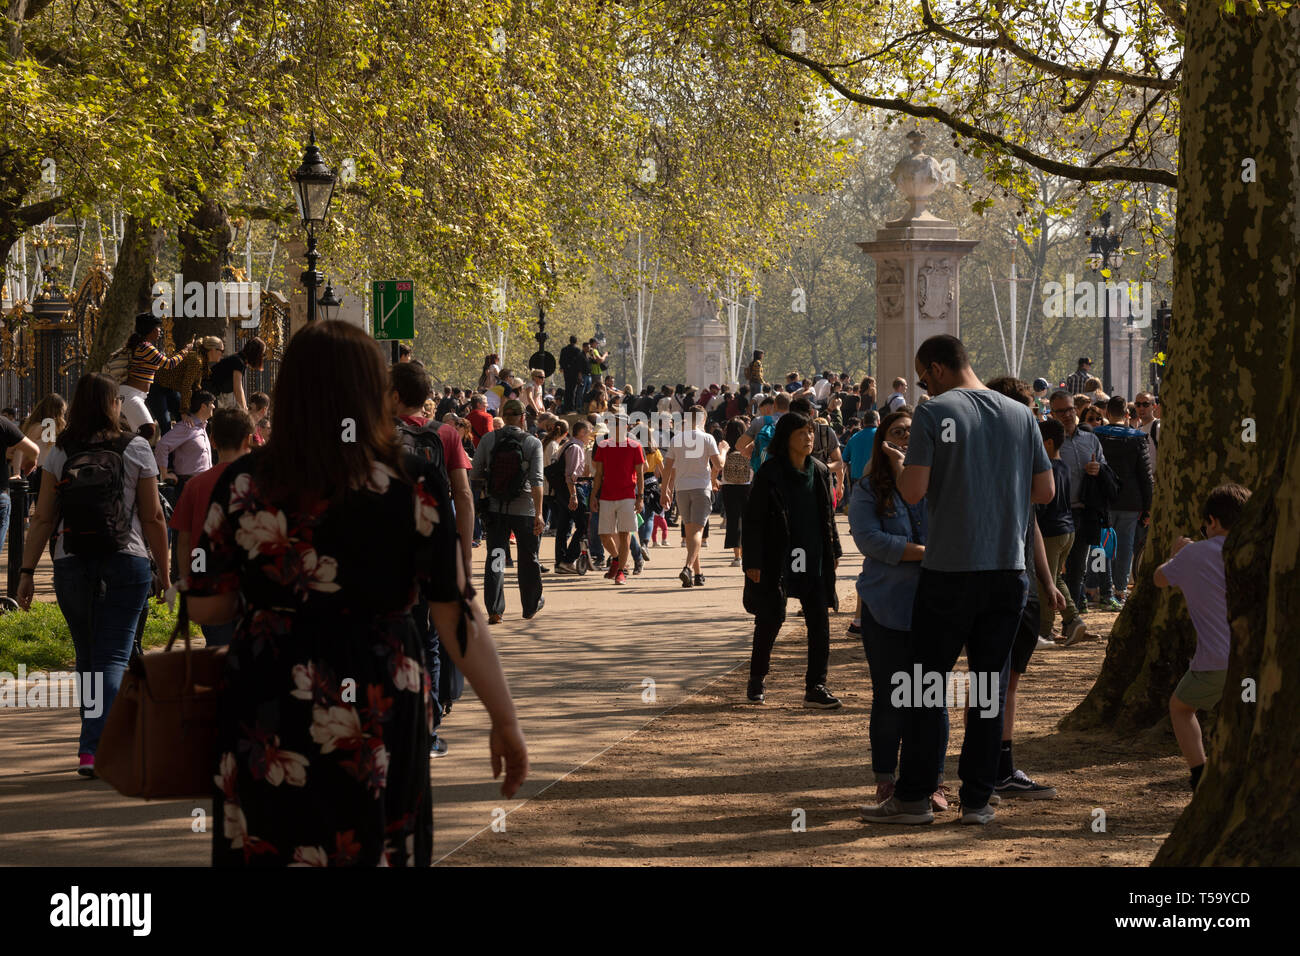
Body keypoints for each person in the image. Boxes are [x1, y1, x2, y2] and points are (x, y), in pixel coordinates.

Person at [184, 321, 526, 866]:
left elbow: (207, 605)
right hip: (378, 692)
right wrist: (504, 718)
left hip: (270, 694)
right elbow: (455, 612)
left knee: (268, 841)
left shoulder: (243, 483)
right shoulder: (410, 483)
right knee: (374, 843)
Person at [860, 335, 1054, 826]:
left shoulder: (935, 412)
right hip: (1008, 572)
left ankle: (915, 798)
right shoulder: (1020, 413)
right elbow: (1045, 491)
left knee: (928, 687)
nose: (923, 386)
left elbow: (913, 490)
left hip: (950, 572)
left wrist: (905, 464)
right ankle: (978, 800)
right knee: (988, 688)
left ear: (937, 370)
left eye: (924, 377)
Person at [16, 373, 169, 779]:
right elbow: (153, 516)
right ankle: (100, 748)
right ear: (112, 405)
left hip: (72, 561)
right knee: (114, 656)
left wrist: (27, 572)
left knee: (88, 658)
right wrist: (165, 571)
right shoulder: (136, 446)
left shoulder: (61, 451)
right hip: (128, 560)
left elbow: (44, 516)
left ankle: (91, 747)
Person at [849, 409, 948, 810]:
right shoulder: (868, 489)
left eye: (913, 432)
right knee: (890, 697)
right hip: (885, 607)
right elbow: (871, 541)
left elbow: (955, 531)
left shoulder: (941, 484)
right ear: (882, 439)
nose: (906, 437)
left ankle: (933, 780)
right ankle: (887, 780)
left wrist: (910, 467)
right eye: (898, 432)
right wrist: (927, 553)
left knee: (932, 696)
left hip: (935, 605)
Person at [1155, 483, 1251, 790]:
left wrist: (1174, 555)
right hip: (1256, 658)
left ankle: (1199, 775)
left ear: (1211, 521)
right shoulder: (1255, 551)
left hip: (1214, 661)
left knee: (1181, 708)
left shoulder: (1194, 554)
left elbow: (1159, 579)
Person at [742, 412, 842, 709]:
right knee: (771, 618)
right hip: (778, 557)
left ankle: (816, 686)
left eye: (811, 432)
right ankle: (757, 679)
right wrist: (753, 562)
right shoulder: (770, 473)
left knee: (819, 621)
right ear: (786, 439)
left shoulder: (821, 471)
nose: (808, 438)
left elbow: (828, 516)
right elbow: (754, 520)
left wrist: (834, 549)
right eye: (801, 433)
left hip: (813, 556)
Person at [169, 407, 254, 648]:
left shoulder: (195, 485)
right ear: (248, 439)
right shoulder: (261, 481)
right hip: (250, 584)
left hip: (209, 586)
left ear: (213, 440)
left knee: (217, 652)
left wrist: (186, 581)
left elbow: (183, 539)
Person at [472, 399, 544, 622]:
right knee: (528, 558)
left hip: (496, 508)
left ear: (503, 415)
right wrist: (539, 513)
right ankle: (530, 606)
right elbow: (537, 481)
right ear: (523, 418)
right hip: (525, 510)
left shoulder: (489, 439)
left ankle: (495, 609)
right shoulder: (532, 443)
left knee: (496, 556)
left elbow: (475, 473)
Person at [1047, 389, 1111, 613]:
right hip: (1056, 512)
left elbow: (1104, 465)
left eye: (1070, 409)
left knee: (1077, 568)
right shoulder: (1047, 442)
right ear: (1052, 414)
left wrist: (1098, 468)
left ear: (1076, 409)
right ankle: (1054, 621)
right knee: (1051, 571)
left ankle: (1072, 618)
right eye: (1061, 411)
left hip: (1083, 512)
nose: (1066, 414)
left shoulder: (1090, 439)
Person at [1093, 395, 1153, 605]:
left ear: (1107, 413)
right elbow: (1145, 476)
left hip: (1103, 499)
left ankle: (1100, 587)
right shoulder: (1137, 438)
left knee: (1101, 545)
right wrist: (1148, 506)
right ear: (1127, 414)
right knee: (1125, 545)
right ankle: (1120, 589)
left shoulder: (1096, 435)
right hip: (1130, 501)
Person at [1035, 417, 1086, 646]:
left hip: (1051, 532)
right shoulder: (1064, 466)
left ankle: (1045, 631)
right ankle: (1073, 620)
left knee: (1045, 582)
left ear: (1046, 443)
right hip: (1068, 530)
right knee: (1055, 579)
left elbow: (1044, 503)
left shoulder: (1046, 469)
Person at [663, 407, 722, 588]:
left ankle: (698, 574)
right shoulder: (707, 438)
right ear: (703, 418)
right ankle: (688, 568)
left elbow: (667, 467)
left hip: (682, 489)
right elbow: (718, 465)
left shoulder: (677, 438)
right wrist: (724, 451)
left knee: (690, 534)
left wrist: (665, 490)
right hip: (700, 487)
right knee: (697, 532)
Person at [590, 412, 645, 586]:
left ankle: (621, 571)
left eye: (621, 424)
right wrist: (593, 496)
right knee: (604, 535)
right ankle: (615, 559)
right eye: (614, 424)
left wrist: (640, 497)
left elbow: (641, 474)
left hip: (628, 495)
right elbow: (599, 474)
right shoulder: (603, 446)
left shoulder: (635, 446)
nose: (617, 428)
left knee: (624, 533)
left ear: (627, 426)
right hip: (606, 495)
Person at [121, 313, 192, 435]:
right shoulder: (146, 347)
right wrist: (185, 352)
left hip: (136, 395)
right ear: (150, 330)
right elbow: (169, 364)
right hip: (131, 395)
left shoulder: (142, 346)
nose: (160, 331)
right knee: (148, 430)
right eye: (158, 327)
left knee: (140, 432)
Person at [551, 421, 591, 573]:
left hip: (563, 491)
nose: (590, 435)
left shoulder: (567, 445)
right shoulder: (575, 448)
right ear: (581, 432)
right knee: (582, 526)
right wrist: (573, 495)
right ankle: (567, 560)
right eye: (589, 431)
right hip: (572, 490)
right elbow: (571, 475)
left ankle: (561, 562)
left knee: (564, 526)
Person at [13, 393, 64, 510]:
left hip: (46, 470)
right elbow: (20, 449)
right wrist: (17, 473)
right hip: (43, 471)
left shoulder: (47, 426)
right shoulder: (40, 427)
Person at [154, 390, 215, 485]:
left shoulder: (202, 427)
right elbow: (162, 445)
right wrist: (165, 474)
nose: (214, 406)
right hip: (189, 484)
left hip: (203, 484)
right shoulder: (186, 426)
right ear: (203, 406)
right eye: (212, 403)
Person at [719, 418, 752, 567]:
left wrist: (714, 480)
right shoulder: (749, 445)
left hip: (728, 485)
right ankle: (747, 553)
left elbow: (718, 465)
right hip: (747, 485)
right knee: (747, 520)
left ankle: (737, 556)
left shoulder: (725, 445)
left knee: (733, 520)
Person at [207, 337, 266, 411]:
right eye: (263, 354)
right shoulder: (239, 361)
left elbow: (239, 388)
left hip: (210, 393)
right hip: (207, 393)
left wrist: (245, 408)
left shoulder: (240, 360)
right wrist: (244, 411)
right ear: (256, 354)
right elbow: (237, 388)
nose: (263, 357)